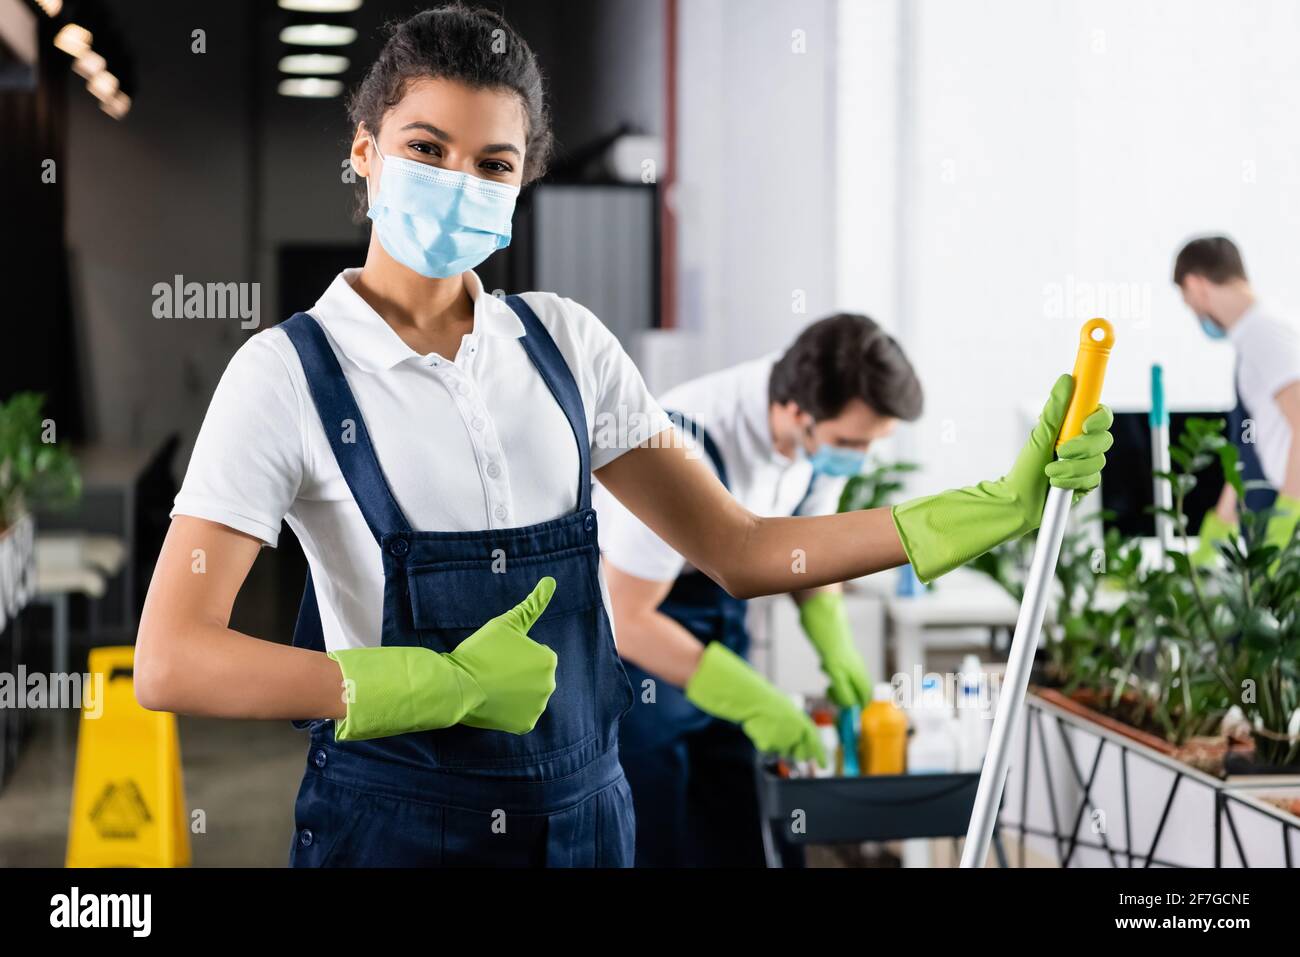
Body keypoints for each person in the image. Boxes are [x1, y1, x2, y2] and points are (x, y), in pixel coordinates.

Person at [135, 4, 1113, 868]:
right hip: (398, 827)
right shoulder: (286, 377)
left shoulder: (566, 347)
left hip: (585, 821)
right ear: (364, 151)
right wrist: (420, 685)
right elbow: (173, 660)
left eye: (493, 163)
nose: (456, 181)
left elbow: (741, 549)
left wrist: (986, 508)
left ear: (520, 184)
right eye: (425, 149)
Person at [593, 315, 922, 866]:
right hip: (643, 648)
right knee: (663, 832)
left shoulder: (822, 440)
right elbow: (625, 616)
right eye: (849, 442)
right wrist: (752, 700)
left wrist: (834, 643)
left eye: (870, 444)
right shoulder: (683, 444)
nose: (858, 457)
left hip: (717, 627)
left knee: (740, 824)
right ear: (798, 412)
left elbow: (812, 555)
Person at [1173, 236, 1300, 559]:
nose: (1194, 312)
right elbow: (1249, 449)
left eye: (1188, 302)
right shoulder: (1252, 338)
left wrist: (1286, 521)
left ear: (1197, 284)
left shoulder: (1265, 334)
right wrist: (1219, 527)